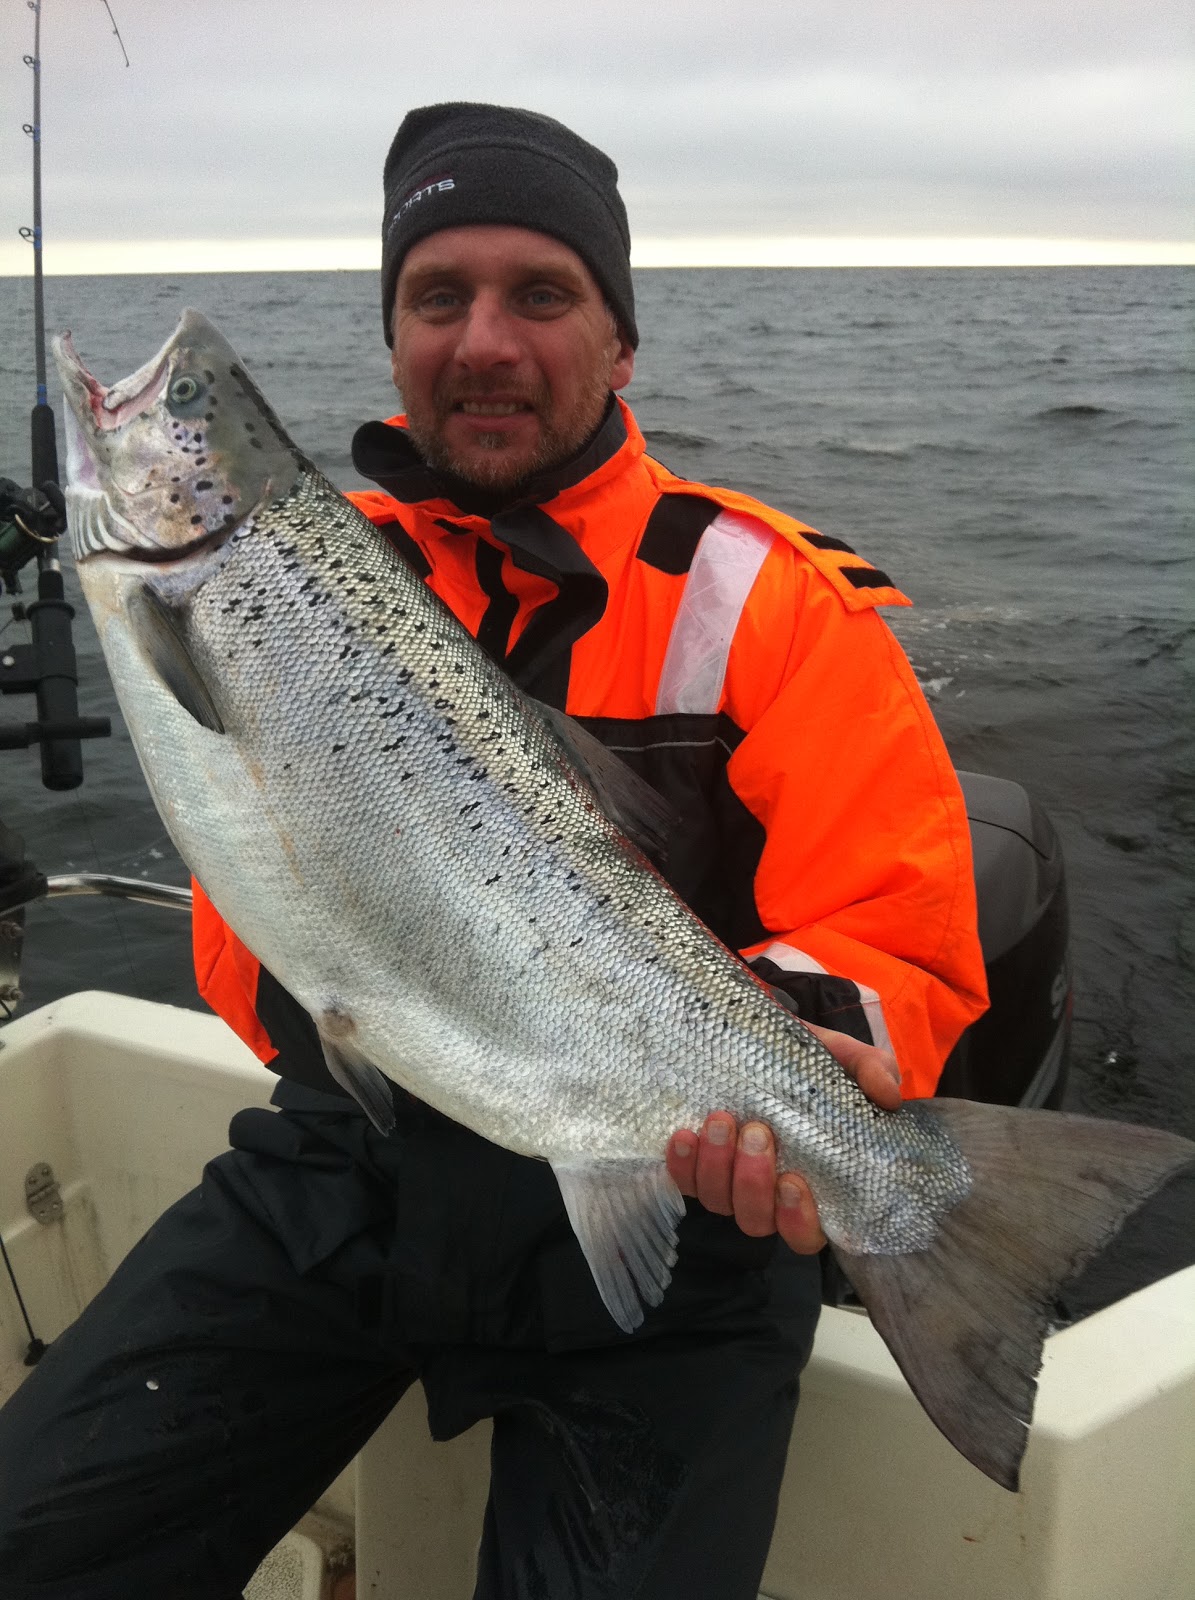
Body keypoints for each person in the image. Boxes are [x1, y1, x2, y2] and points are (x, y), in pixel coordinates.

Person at [0, 104, 987, 1599]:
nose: (484, 340)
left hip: (676, 1240)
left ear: (622, 338)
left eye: (542, 293)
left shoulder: (773, 602)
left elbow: (895, 935)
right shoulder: (323, 570)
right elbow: (257, 933)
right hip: (353, 1174)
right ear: (393, 335)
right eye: (436, 296)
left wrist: (810, 1076)